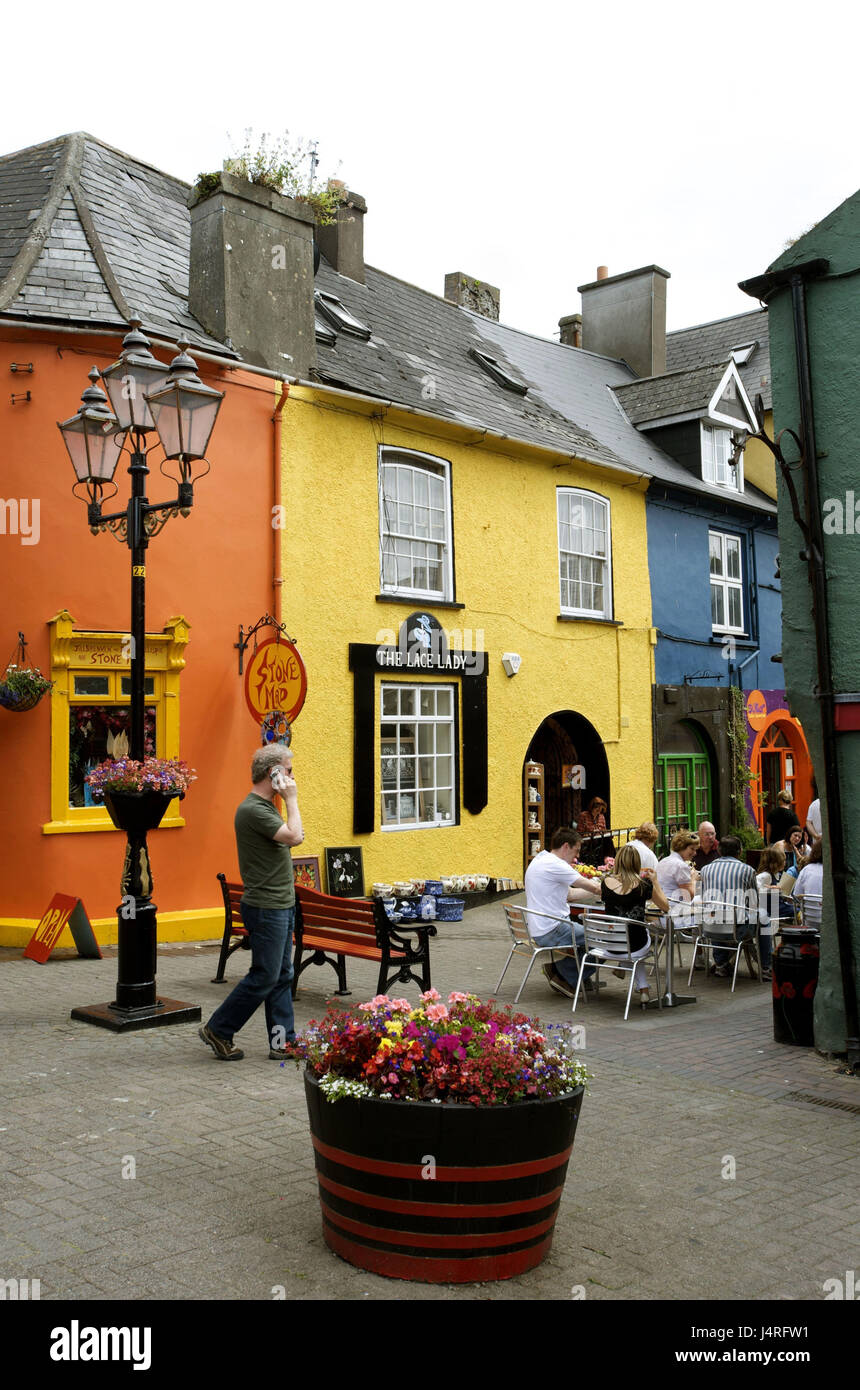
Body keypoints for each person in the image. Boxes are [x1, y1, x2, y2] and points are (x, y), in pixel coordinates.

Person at [199, 744, 304, 1061]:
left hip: (281, 903)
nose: (292, 776)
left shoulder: (268, 806)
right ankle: (219, 1029)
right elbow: (295, 836)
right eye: (288, 770)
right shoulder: (253, 810)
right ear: (273, 773)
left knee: (282, 975)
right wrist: (292, 799)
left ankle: (281, 1042)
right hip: (266, 906)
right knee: (265, 975)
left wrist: (285, 801)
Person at [524, 827, 600, 1000]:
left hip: (542, 927)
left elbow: (570, 895)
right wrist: (611, 888)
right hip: (552, 928)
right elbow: (593, 886)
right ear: (566, 846)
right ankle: (564, 974)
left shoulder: (542, 859)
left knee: (590, 937)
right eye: (576, 851)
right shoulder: (556, 864)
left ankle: (572, 975)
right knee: (604, 941)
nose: (577, 856)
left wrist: (599, 891)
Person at [600, 843, 669, 1003]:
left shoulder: (606, 883)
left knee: (629, 932)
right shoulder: (643, 886)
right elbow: (665, 906)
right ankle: (643, 989)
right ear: (637, 864)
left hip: (611, 945)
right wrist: (656, 882)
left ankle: (630, 973)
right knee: (639, 933)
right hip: (635, 945)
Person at [700, 834, 771, 979]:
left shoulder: (705, 869)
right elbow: (754, 900)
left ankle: (721, 964)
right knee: (763, 917)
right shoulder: (747, 870)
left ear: (719, 851)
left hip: (709, 929)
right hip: (737, 930)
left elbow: (703, 897)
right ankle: (765, 967)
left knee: (716, 913)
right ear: (739, 851)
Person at [657, 830, 699, 910]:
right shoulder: (681, 866)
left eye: (695, 849)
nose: (695, 853)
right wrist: (693, 878)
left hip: (661, 907)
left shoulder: (663, 861)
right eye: (692, 849)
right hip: (676, 910)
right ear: (682, 847)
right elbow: (689, 896)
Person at [793, 839, 824, 926]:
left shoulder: (806, 870)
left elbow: (797, 895)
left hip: (808, 921)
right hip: (828, 921)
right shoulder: (832, 871)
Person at [577, 796, 612, 865]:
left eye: (600, 808)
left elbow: (604, 831)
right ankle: (608, 859)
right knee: (607, 841)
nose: (598, 810)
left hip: (600, 841)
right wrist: (590, 833)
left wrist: (606, 833)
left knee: (608, 839)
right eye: (597, 808)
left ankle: (609, 859)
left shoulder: (601, 816)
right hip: (588, 842)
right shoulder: (584, 815)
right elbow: (579, 833)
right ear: (592, 807)